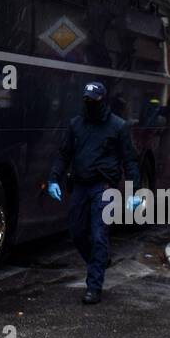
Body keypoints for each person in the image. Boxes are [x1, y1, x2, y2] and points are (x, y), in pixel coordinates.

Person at [46, 81, 138, 306]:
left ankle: (93, 286)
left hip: (104, 187)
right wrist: (53, 179)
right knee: (77, 233)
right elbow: (64, 154)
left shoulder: (118, 127)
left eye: (93, 100)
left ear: (103, 100)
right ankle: (99, 260)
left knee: (98, 235)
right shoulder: (76, 125)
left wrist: (135, 191)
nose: (89, 103)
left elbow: (130, 161)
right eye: (86, 99)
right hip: (80, 185)